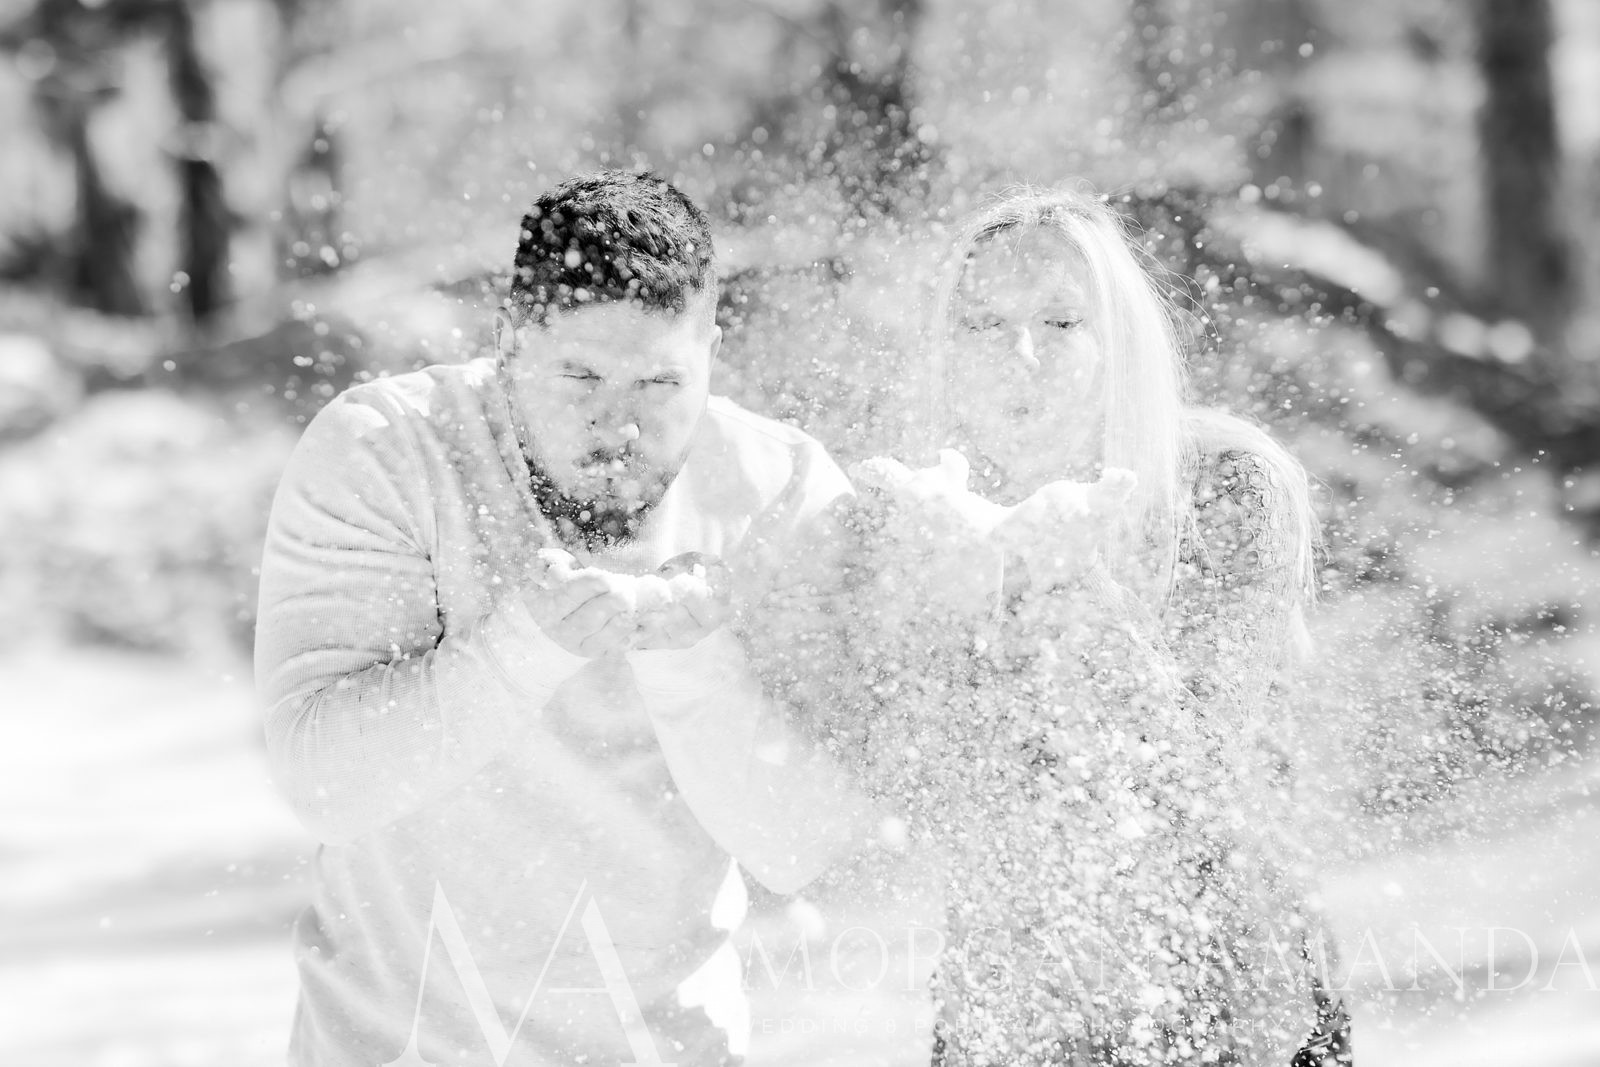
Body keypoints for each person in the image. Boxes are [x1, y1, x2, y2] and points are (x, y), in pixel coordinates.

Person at [253, 169, 873, 1067]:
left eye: (660, 382)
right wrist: (517, 653)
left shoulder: (780, 492)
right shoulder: (389, 451)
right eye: (580, 373)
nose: (617, 425)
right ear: (509, 344)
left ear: (713, 347)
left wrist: (694, 669)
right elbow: (325, 785)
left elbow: (802, 843)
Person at [841, 185, 1352, 1065]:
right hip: (1014, 1002)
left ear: (1122, 342)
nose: (1021, 354)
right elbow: (906, 775)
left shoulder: (1223, 483)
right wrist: (934, 600)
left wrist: (1068, 597)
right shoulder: (925, 521)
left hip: (1232, 988)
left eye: (1063, 322)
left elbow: (1201, 762)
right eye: (983, 324)